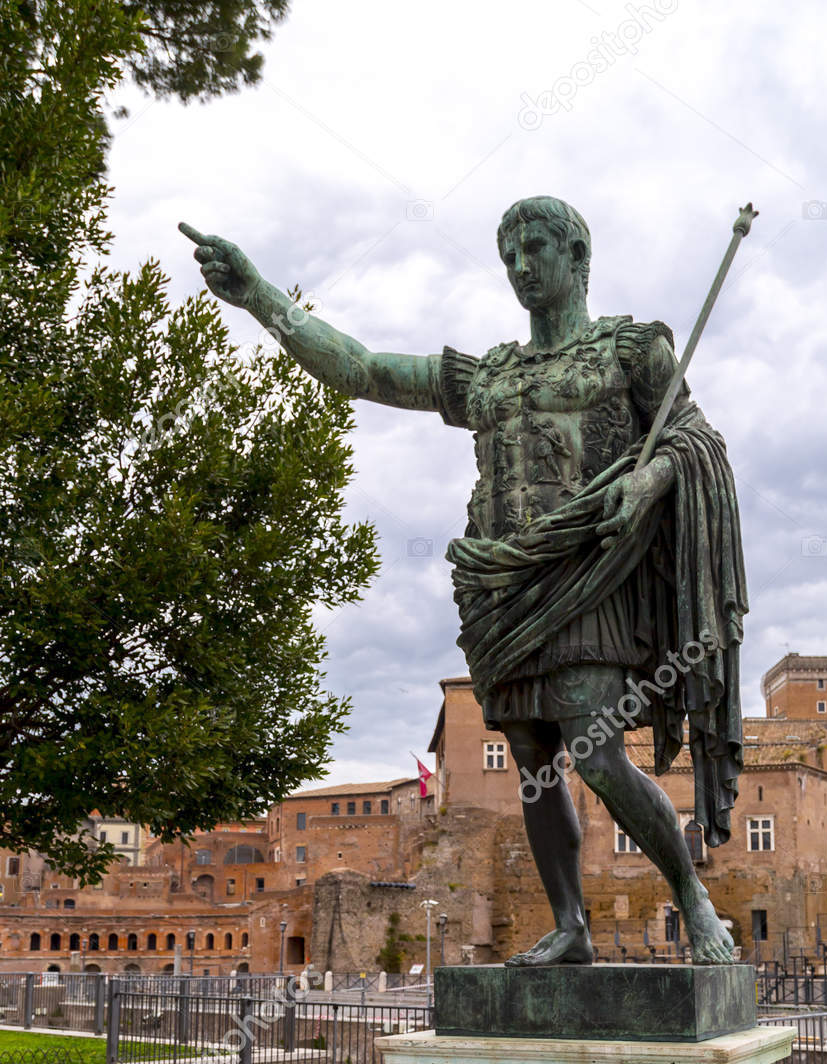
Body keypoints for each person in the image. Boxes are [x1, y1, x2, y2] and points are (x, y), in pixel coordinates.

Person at [180, 198, 748, 965]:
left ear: (578, 257)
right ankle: (571, 925)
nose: (519, 266)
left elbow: (695, 438)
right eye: (508, 254)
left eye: (534, 248)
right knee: (533, 761)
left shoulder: (629, 350)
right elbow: (362, 369)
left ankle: (692, 899)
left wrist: (649, 479)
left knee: (595, 749)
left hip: (587, 575)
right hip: (499, 589)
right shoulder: (488, 376)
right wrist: (259, 296)